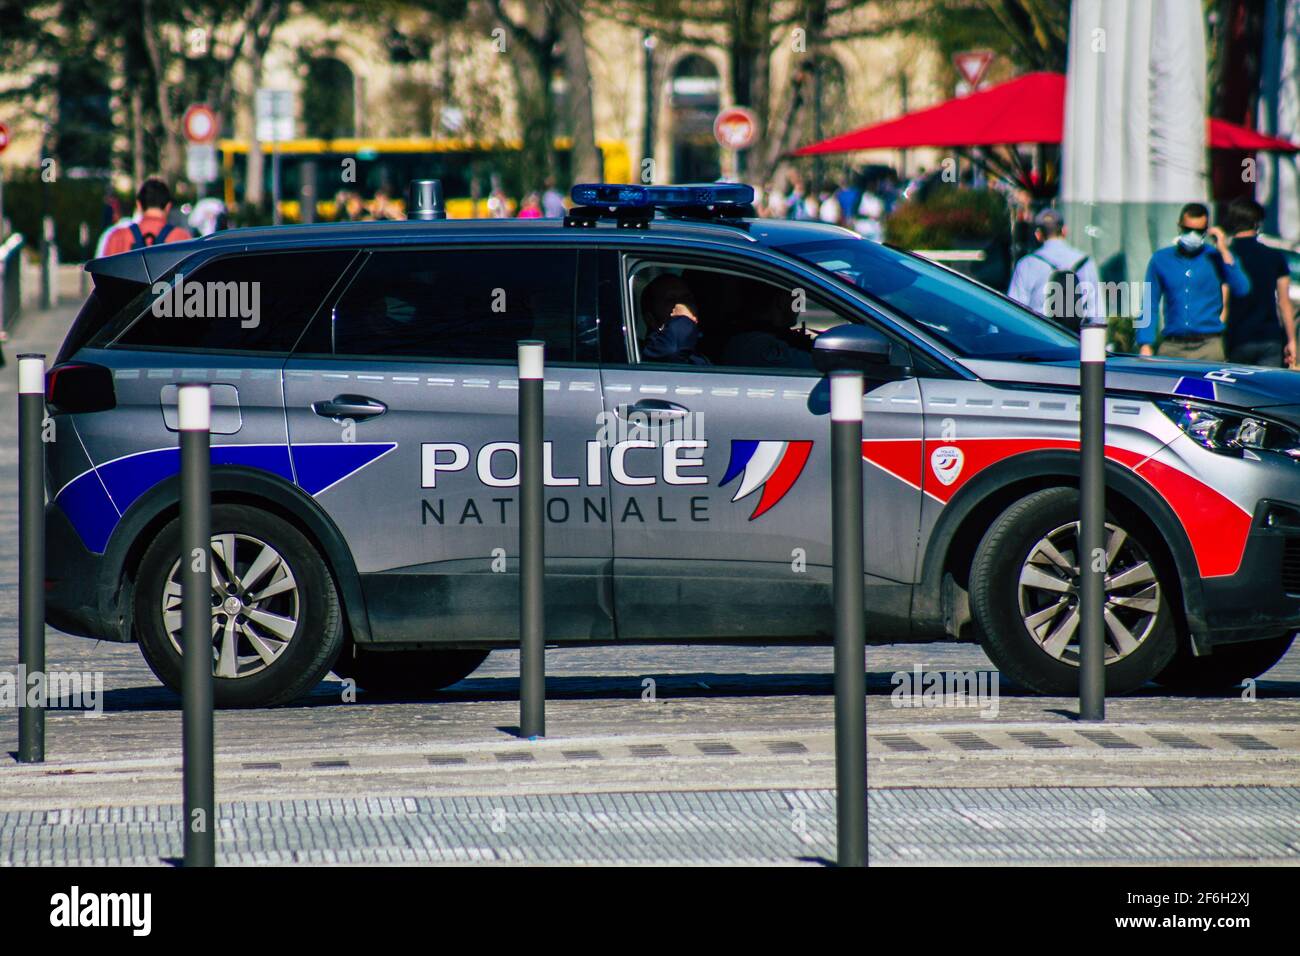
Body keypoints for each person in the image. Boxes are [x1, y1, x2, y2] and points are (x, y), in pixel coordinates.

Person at [1137, 202, 1249, 361]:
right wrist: (1145, 343)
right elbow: (1149, 303)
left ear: (1207, 230)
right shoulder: (1160, 259)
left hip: (1209, 346)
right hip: (1172, 346)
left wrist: (1223, 250)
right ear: (1179, 226)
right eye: (1188, 229)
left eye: (1198, 231)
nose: (1192, 235)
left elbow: (1241, 288)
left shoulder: (1216, 258)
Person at [1222, 198, 1296, 368]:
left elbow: (1223, 302)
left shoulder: (1227, 258)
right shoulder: (1274, 256)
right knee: (1266, 392)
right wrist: (1291, 340)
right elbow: (1284, 302)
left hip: (1237, 338)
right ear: (1257, 223)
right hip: (1269, 338)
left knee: (1237, 393)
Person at [1007, 208, 1100, 324]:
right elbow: (1096, 312)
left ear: (1038, 235)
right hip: (1076, 337)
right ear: (1064, 231)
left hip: (1040, 336)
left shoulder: (1026, 264)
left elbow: (1014, 310)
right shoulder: (1086, 262)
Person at [721, 287, 815, 369]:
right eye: (796, 298)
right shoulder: (756, 344)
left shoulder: (747, 338)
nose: (799, 305)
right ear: (781, 300)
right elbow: (819, 364)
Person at [101, 178, 192, 256]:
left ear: (139, 205)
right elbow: (183, 275)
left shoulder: (117, 237)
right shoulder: (181, 238)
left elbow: (104, 273)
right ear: (168, 206)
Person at [641, 274, 709, 365]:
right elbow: (671, 351)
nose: (682, 305)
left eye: (687, 298)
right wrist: (683, 319)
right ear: (650, 319)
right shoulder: (651, 352)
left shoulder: (699, 352)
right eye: (670, 299)